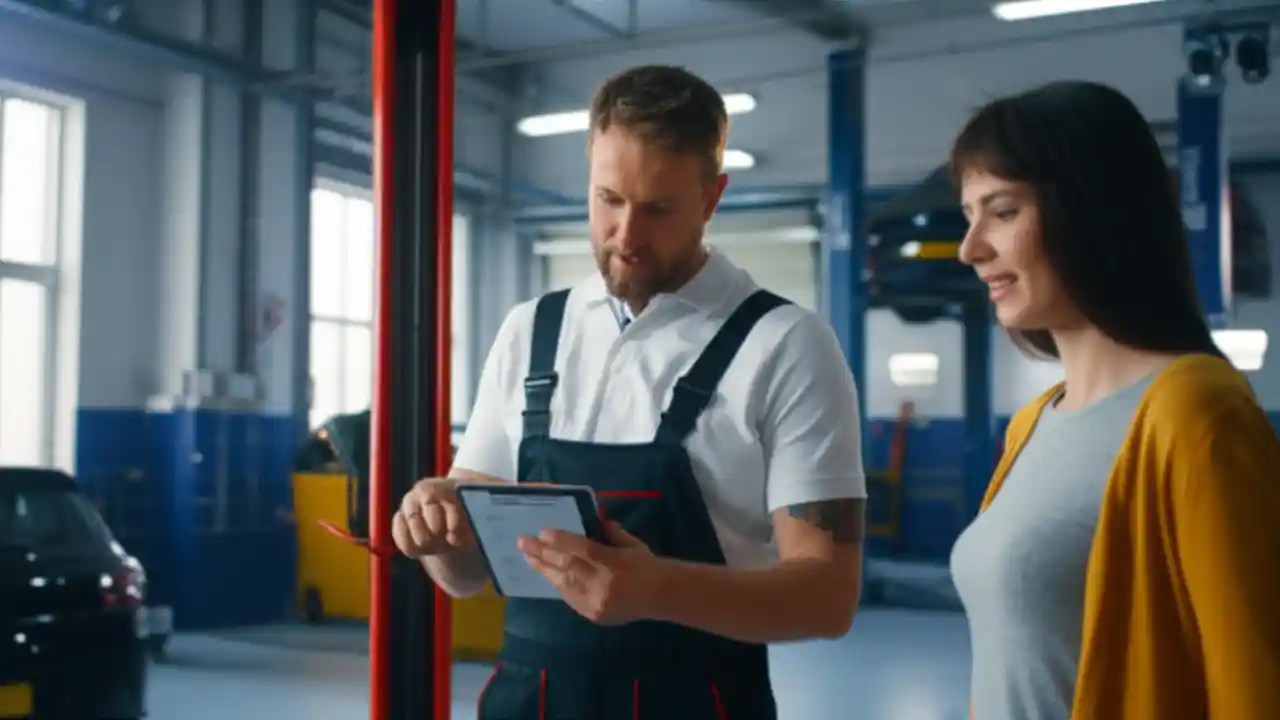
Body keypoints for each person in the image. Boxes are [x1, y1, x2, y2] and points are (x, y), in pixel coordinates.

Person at [391, 65, 867, 719]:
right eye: (608, 199)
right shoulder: (530, 331)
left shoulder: (787, 345)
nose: (626, 235)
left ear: (711, 197)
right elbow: (468, 576)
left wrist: (657, 591)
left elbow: (828, 597)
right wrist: (437, 527)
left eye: (658, 209)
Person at [947, 80, 1280, 720]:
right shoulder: (1032, 424)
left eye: (1004, 211)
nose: (971, 248)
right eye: (969, 216)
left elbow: (1255, 682)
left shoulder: (1195, 411)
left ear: (1089, 211)